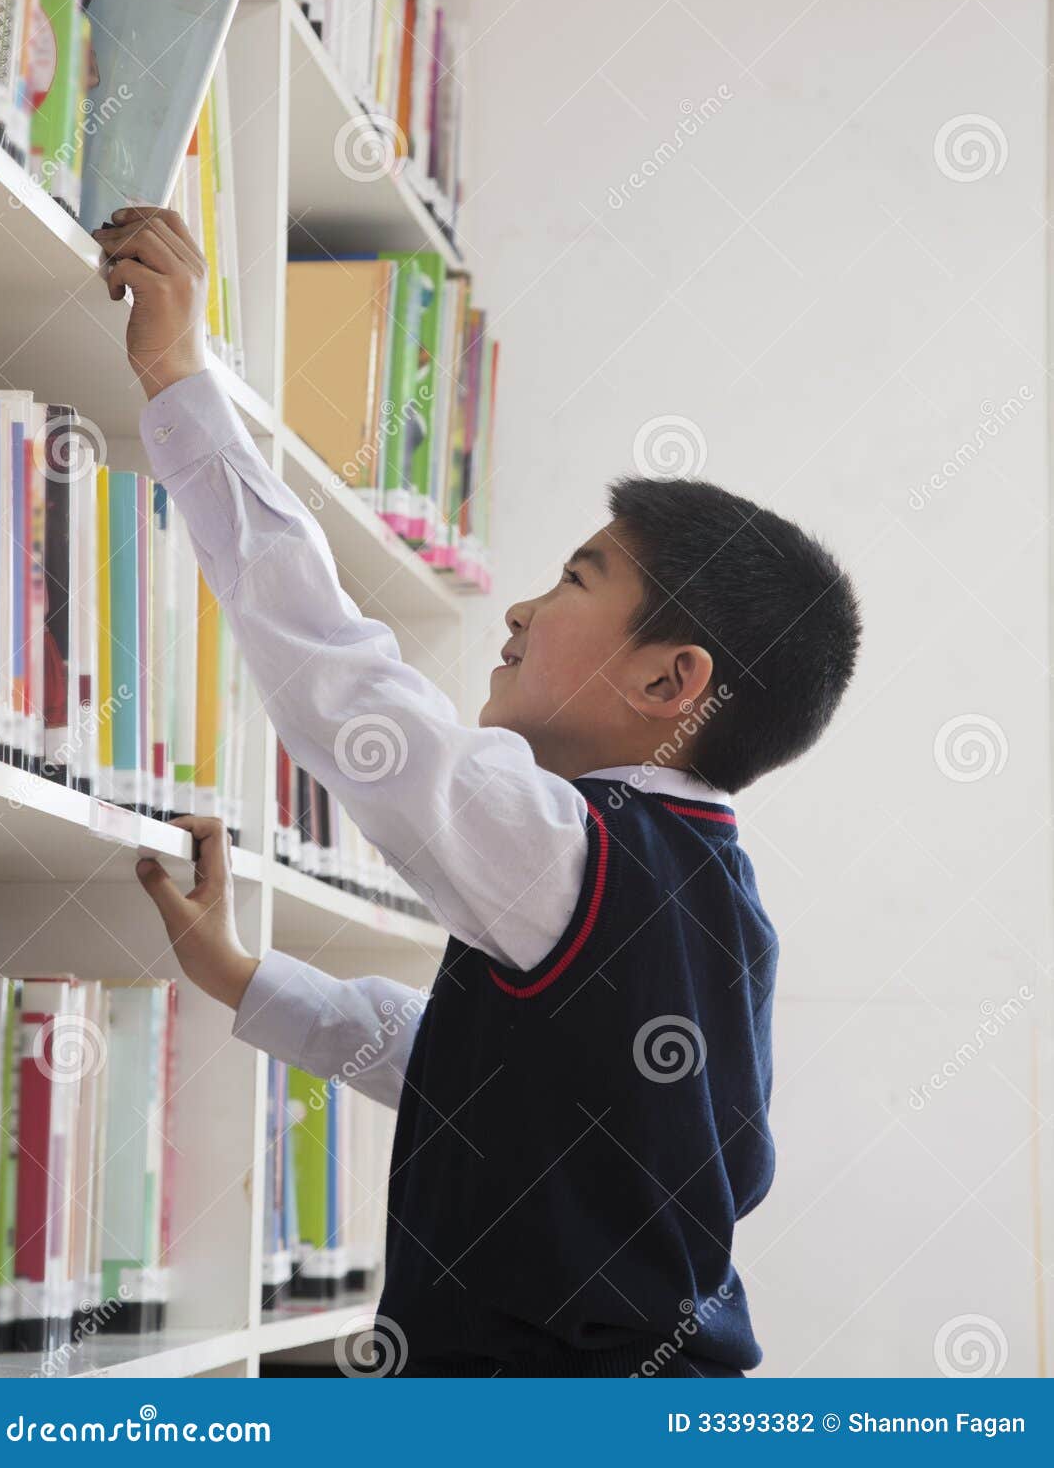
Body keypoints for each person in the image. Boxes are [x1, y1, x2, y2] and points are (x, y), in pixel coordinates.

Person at [91, 205, 862, 1379]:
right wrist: (246, 978)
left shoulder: (575, 848)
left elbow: (343, 689)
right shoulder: (717, 903)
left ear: (670, 678)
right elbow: (479, 1076)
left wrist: (177, 378)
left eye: (572, 579)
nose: (516, 610)